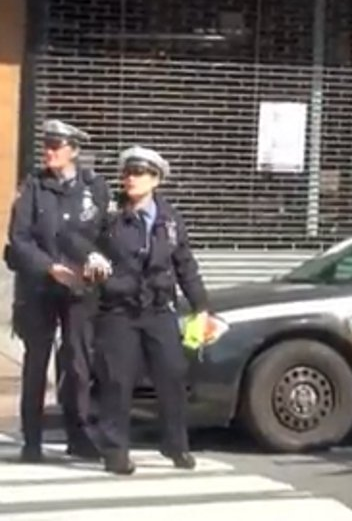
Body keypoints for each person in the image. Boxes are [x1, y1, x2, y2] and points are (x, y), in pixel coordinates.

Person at [89, 145, 209, 475]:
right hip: (119, 309)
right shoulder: (108, 213)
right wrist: (91, 257)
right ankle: (115, 452)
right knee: (117, 381)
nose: (130, 178)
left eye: (139, 173)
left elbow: (185, 264)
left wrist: (201, 306)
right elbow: (77, 240)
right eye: (127, 172)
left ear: (156, 180)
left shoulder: (169, 219)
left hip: (158, 308)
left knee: (172, 374)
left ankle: (175, 444)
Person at [4, 119, 110, 463]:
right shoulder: (33, 187)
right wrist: (50, 267)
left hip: (79, 289)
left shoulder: (94, 188)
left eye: (56, 146)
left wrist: (96, 260)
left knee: (78, 363)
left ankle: (79, 435)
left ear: (73, 151)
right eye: (46, 146)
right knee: (37, 363)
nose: (48, 152)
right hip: (39, 287)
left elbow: (105, 235)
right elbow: (19, 239)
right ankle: (32, 440)